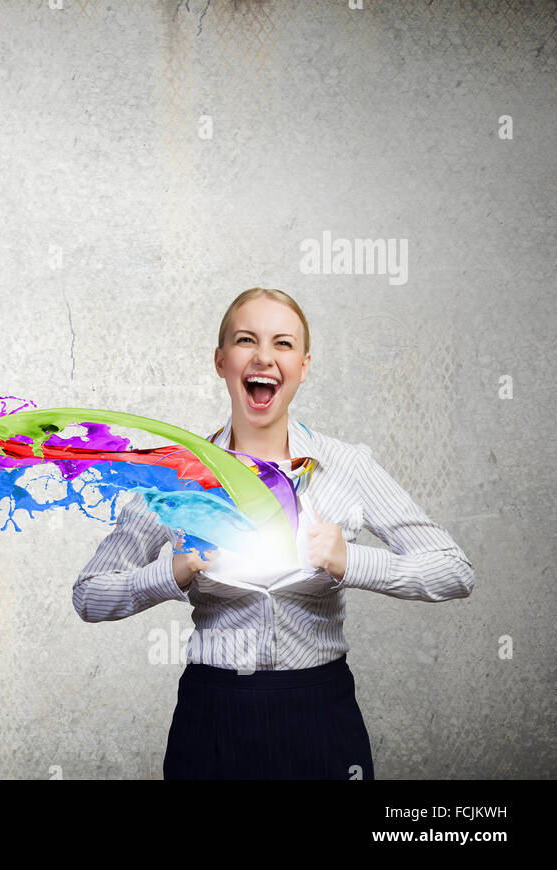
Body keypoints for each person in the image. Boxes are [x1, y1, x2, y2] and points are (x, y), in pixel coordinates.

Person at [72, 287, 474, 779]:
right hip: (212, 718)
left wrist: (350, 561)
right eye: (246, 340)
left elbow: (455, 572)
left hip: (321, 713)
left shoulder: (347, 465)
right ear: (221, 361)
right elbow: (89, 596)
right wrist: (173, 572)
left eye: (283, 344)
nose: (264, 356)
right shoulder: (175, 474)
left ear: (304, 365)